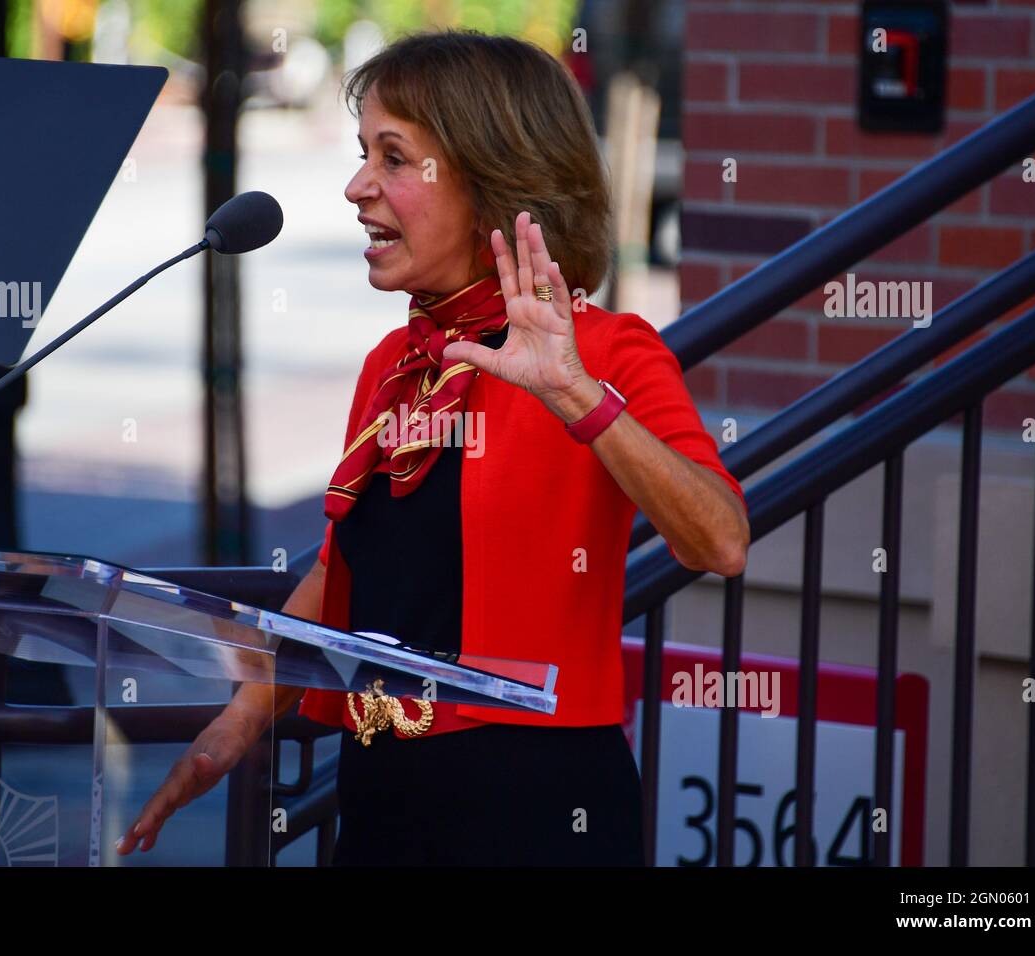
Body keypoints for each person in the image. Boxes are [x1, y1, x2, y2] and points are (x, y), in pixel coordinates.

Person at [117, 29, 748, 866]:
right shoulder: (393, 365)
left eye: (393, 157)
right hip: (383, 787)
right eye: (360, 153)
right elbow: (338, 570)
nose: (356, 186)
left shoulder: (604, 352)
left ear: (490, 184)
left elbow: (720, 539)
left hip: (533, 805)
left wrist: (576, 398)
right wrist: (229, 733)